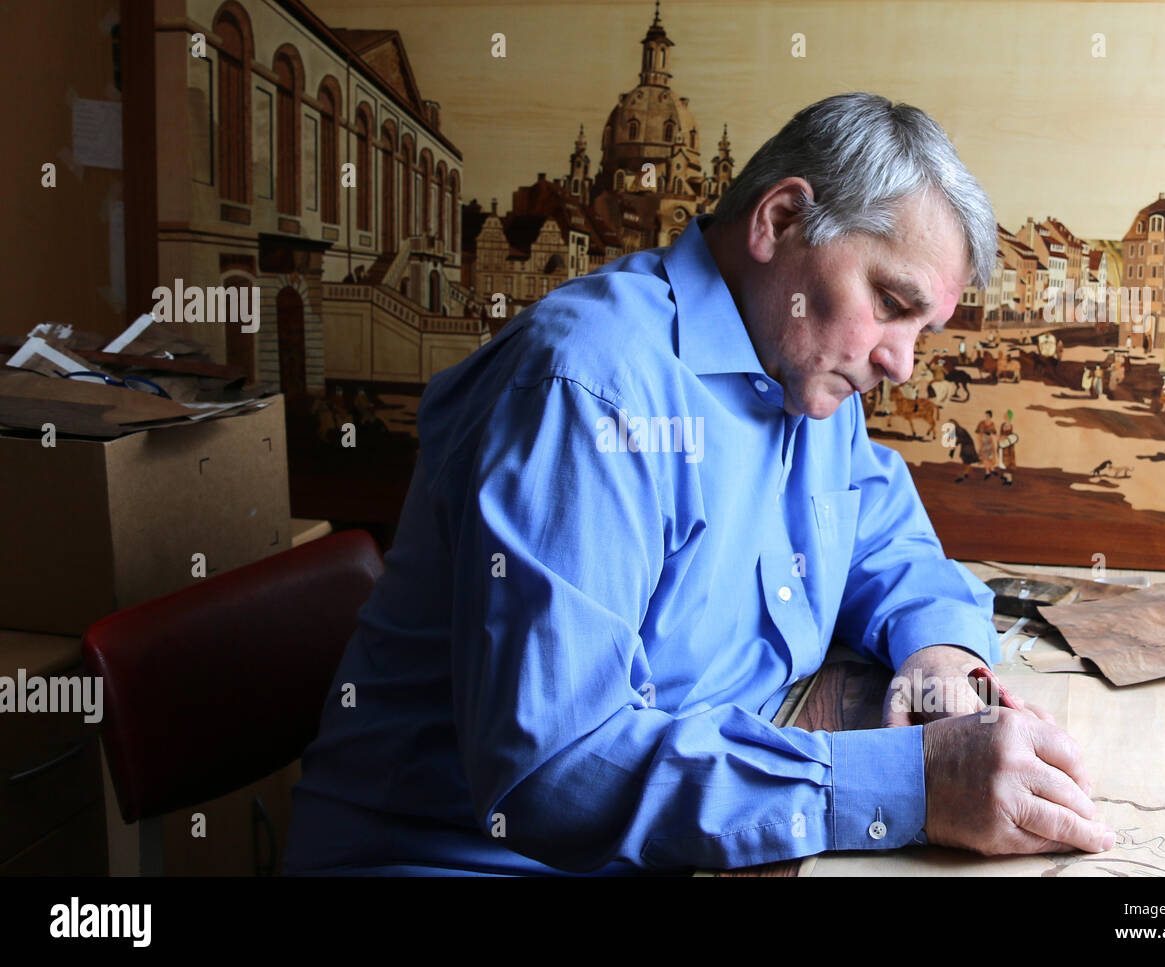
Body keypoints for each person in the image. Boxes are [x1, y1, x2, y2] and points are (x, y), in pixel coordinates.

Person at [284, 93, 1111, 876]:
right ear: (779, 219)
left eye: (922, 330)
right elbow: (555, 767)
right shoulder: (592, 390)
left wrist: (938, 653)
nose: (901, 361)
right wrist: (911, 783)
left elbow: (884, 540)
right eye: (891, 303)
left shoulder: (811, 370)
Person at [997, 409, 1017, 486]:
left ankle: (1009, 479)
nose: (1004, 415)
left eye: (1006, 415)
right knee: (1002, 460)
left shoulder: (1009, 426)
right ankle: (1005, 475)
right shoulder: (1003, 424)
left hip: (1007, 447)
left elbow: (1008, 437)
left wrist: (1002, 438)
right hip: (1002, 445)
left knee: (1008, 462)